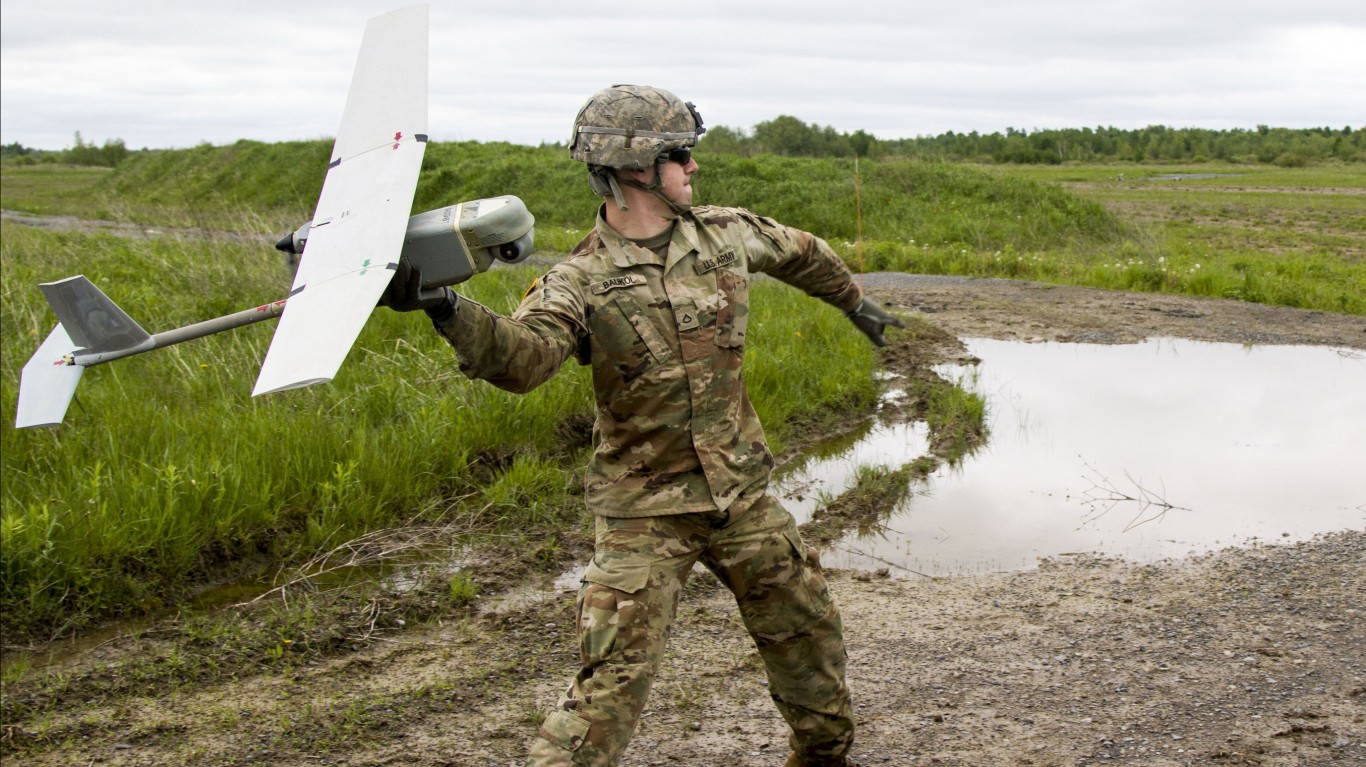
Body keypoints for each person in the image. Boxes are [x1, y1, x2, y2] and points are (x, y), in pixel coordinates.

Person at [382, 84, 902, 767]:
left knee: (811, 640)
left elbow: (803, 252)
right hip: (644, 512)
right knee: (608, 688)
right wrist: (445, 307)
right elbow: (524, 358)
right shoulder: (579, 278)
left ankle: (822, 758)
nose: (694, 166)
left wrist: (855, 303)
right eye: (680, 154)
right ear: (634, 168)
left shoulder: (724, 233)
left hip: (741, 495)